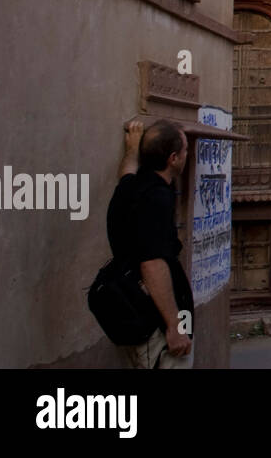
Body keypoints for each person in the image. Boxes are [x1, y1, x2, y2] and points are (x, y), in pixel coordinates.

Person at [107, 119, 195, 368]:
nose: (188, 155)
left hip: (138, 312)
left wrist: (133, 149)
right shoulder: (156, 199)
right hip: (155, 325)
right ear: (174, 158)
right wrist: (174, 326)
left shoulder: (132, 187)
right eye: (186, 150)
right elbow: (152, 263)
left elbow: (126, 171)